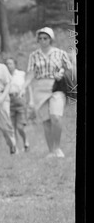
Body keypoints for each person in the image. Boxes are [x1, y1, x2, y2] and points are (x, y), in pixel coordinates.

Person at [23, 27, 73, 158]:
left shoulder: (60, 53)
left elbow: (69, 70)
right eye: (40, 38)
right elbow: (30, 74)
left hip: (56, 87)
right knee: (46, 120)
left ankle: (57, 148)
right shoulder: (34, 55)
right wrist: (23, 87)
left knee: (56, 117)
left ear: (51, 39)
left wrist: (61, 73)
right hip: (40, 87)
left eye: (45, 38)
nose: (42, 41)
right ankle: (51, 151)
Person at [4, 56, 30, 153]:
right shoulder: (4, 75)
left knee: (20, 126)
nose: (8, 65)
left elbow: (27, 87)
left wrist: (29, 100)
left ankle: (25, 141)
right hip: (8, 100)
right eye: (7, 64)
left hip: (19, 100)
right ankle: (15, 148)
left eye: (10, 63)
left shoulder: (21, 74)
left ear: (15, 64)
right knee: (11, 126)